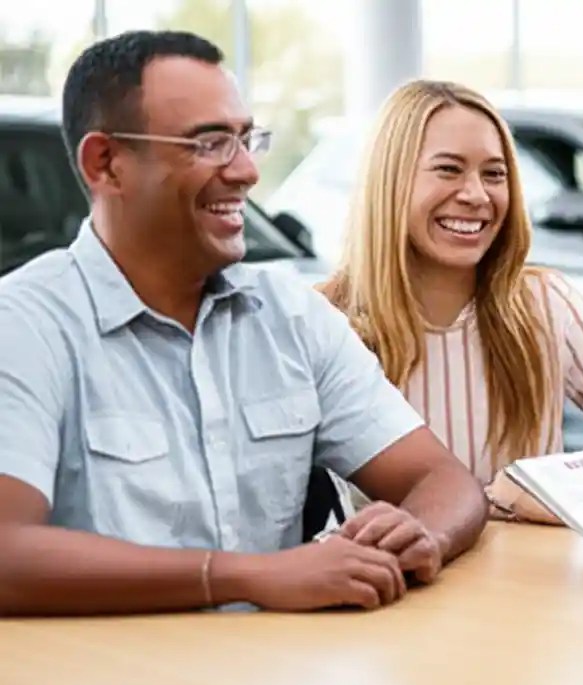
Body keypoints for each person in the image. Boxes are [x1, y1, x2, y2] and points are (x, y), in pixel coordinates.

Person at [0, 31, 488, 616]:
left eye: (246, 138)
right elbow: (8, 555)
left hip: (270, 683)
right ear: (106, 163)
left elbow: (443, 479)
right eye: (210, 144)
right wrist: (248, 577)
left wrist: (422, 536)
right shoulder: (25, 325)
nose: (248, 170)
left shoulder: (292, 315)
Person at [318, 80, 583, 525]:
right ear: (388, 181)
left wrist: (564, 495)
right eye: (448, 170)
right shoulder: (323, 321)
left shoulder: (547, 304)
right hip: (398, 589)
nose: (477, 195)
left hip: (527, 588)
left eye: (494, 174)